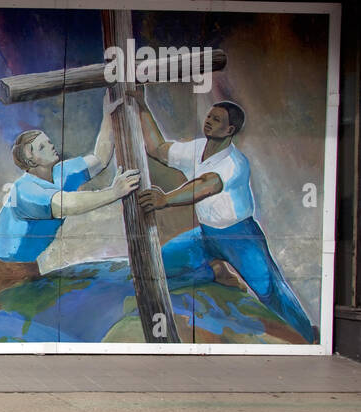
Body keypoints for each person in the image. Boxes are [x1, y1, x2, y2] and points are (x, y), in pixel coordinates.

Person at [0, 94, 138, 342]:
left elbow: (101, 158)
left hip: (27, 267)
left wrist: (107, 115)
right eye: (41, 147)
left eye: (47, 141)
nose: (50, 145)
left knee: (23, 320)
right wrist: (114, 192)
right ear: (30, 161)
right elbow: (65, 205)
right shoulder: (26, 189)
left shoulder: (62, 172)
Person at [133, 90, 316, 343]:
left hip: (240, 237)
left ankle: (310, 337)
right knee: (160, 266)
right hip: (206, 236)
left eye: (216, 119)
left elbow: (207, 185)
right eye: (209, 116)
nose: (208, 121)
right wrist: (142, 105)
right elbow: (158, 149)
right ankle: (215, 272)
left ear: (230, 130)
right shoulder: (197, 148)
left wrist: (165, 200)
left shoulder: (235, 163)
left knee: (270, 291)